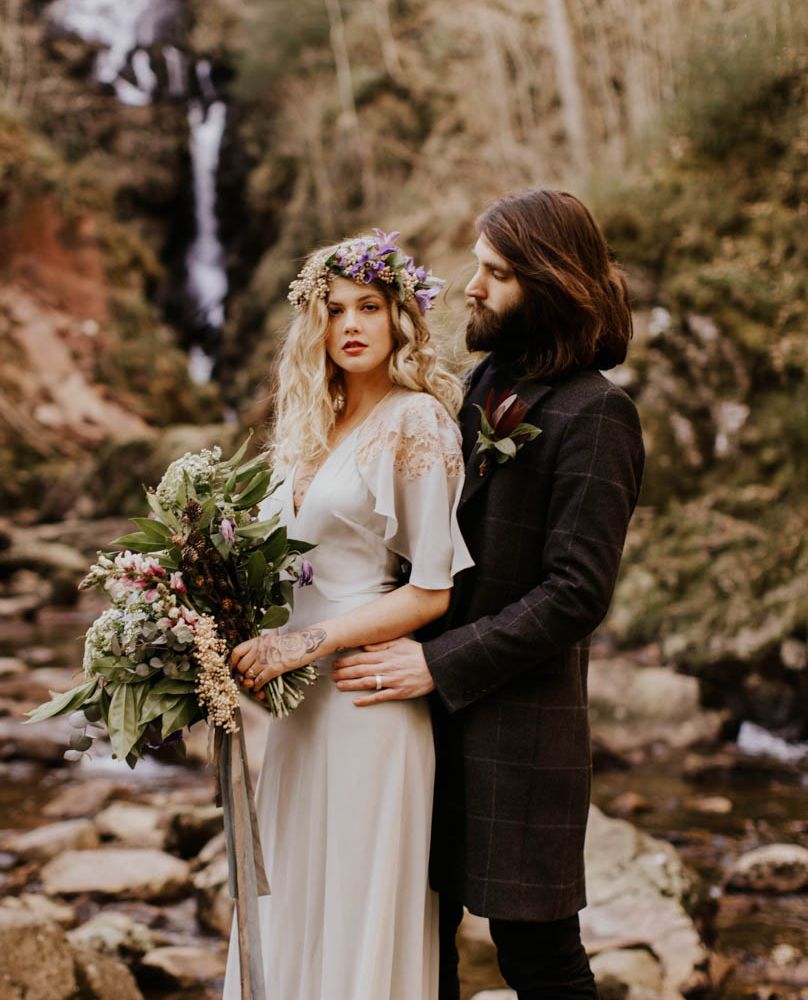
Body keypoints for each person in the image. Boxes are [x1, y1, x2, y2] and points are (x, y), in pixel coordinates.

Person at [331, 190, 646, 1000]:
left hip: (520, 731)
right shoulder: (484, 382)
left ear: (549, 286)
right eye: (478, 266)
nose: (471, 286)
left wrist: (438, 662)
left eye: (496, 274)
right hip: (424, 721)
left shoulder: (599, 413)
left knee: (537, 956)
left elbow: (576, 594)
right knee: (419, 938)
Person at [221, 230, 473, 1000]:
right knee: (290, 899)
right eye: (335, 310)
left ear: (400, 317)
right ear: (315, 324)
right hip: (298, 709)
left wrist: (309, 641)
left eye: (370, 306)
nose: (352, 324)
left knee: (359, 909)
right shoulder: (303, 428)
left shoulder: (416, 422)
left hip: (367, 697)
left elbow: (433, 591)